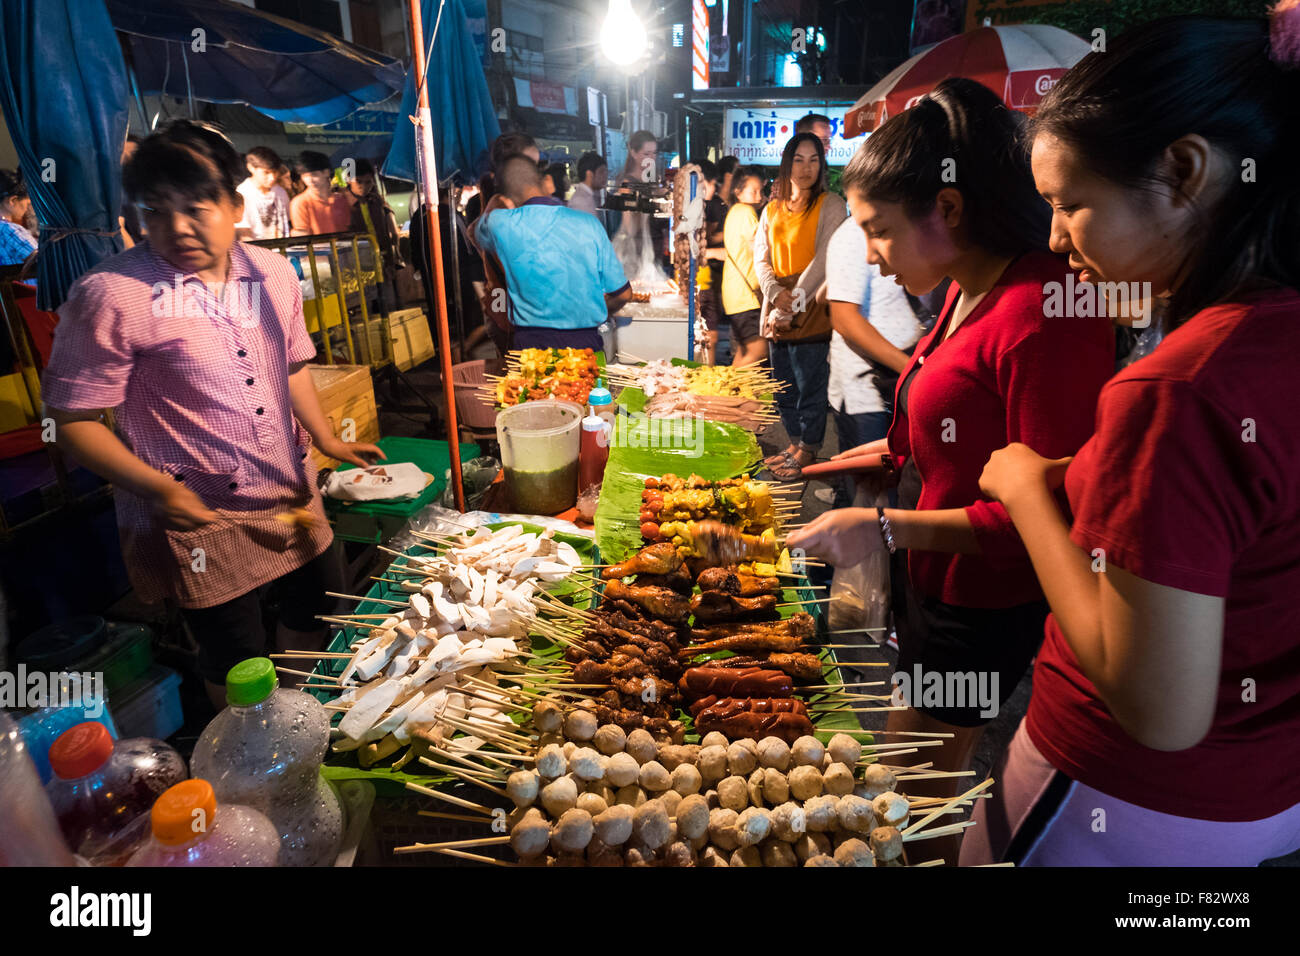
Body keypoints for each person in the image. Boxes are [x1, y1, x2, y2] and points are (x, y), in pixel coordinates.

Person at [963, 13, 1300, 866]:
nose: (1053, 239)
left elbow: (1159, 707)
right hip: (1260, 802)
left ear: (1184, 170)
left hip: (1118, 806)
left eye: (1071, 203)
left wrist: (1029, 493)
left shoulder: (1181, 386)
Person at [786, 79, 1115, 864]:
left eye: (881, 231)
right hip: (930, 587)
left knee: (912, 797)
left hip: (978, 606)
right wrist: (870, 460)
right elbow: (949, 431)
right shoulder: (969, 290)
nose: (868, 254)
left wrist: (881, 527)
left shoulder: (1049, 308)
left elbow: (1036, 511)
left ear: (951, 209)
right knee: (903, 779)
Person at [39, 121, 383, 711]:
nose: (177, 228)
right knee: (235, 654)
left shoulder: (272, 273)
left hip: (290, 487)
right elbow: (71, 418)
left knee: (316, 608)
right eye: (155, 211)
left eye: (196, 207)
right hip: (200, 509)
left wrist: (326, 436)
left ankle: (302, 721)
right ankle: (252, 754)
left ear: (233, 202)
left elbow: (293, 362)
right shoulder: (112, 293)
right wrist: (156, 488)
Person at [753, 132, 846, 479]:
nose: (806, 168)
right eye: (798, 159)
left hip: (810, 306)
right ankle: (794, 443)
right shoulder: (771, 209)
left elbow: (824, 260)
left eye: (814, 160)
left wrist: (789, 305)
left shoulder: (831, 204)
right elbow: (760, 257)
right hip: (778, 303)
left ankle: (809, 448)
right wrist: (775, 293)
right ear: (787, 162)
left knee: (810, 385)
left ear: (822, 165)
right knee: (784, 386)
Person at [474, 154, 630, 351]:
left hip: (530, 348)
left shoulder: (499, 223)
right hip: (585, 345)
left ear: (506, 199)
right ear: (547, 182)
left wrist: (504, 203)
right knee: (583, 382)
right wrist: (596, 310)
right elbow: (623, 294)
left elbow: (478, 233)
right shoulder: (588, 223)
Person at [823, 212, 923, 508]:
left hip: (901, 388)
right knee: (873, 508)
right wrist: (913, 371)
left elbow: (825, 294)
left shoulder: (905, 226)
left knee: (891, 498)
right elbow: (844, 318)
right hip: (868, 393)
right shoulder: (852, 235)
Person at [468, 132, 542, 352]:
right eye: (530, 166)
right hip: (512, 320)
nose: (535, 175)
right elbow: (521, 271)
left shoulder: (513, 206)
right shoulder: (502, 207)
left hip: (514, 316)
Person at [722, 167, 768, 368]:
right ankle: (722, 393)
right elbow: (758, 249)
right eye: (753, 191)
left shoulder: (734, 212)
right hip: (745, 297)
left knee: (743, 352)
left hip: (735, 294)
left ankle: (737, 397)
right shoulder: (746, 211)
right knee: (759, 350)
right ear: (738, 192)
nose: (758, 196)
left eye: (760, 190)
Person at [612, 130, 662, 283]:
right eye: (646, 154)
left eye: (654, 153)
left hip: (654, 247)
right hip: (637, 252)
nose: (652, 158)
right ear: (633, 153)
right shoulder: (627, 184)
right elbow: (629, 227)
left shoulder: (650, 180)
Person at [347, 158, 403, 281]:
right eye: (359, 181)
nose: (363, 186)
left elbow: (392, 234)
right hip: (355, 266)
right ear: (349, 180)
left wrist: (391, 260)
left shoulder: (378, 201)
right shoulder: (341, 204)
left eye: (368, 182)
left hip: (382, 261)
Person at [693, 159, 726, 364]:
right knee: (704, 339)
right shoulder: (691, 212)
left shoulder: (702, 209)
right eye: (713, 183)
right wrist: (715, 253)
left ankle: (708, 379)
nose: (715, 188)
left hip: (706, 282)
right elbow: (689, 253)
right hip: (697, 285)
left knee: (712, 338)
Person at [290, 150, 352, 235]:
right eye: (305, 176)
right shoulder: (300, 203)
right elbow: (302, 235)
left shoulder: (341, 200)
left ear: (326, 172)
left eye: (314, 175)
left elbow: (347, 229)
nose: (310, 180)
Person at [236, 146, 291, 241]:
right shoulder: (243, 193)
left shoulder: (280, 192)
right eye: (266, 173)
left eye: (275, 172)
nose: (272, 177)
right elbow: (243, 232)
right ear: (251, 168)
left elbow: (287, 223)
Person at [0, 169, 37, 268]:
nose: (27, 209)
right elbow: (41, 259)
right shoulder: (9, 229)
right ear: (13, 200)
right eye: (27, 203)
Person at [568, 151, 607, 219]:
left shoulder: (588, 196)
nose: (605, 176)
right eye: (601, 172)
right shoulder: (581, 201)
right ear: (589, 174)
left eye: (606, 172)